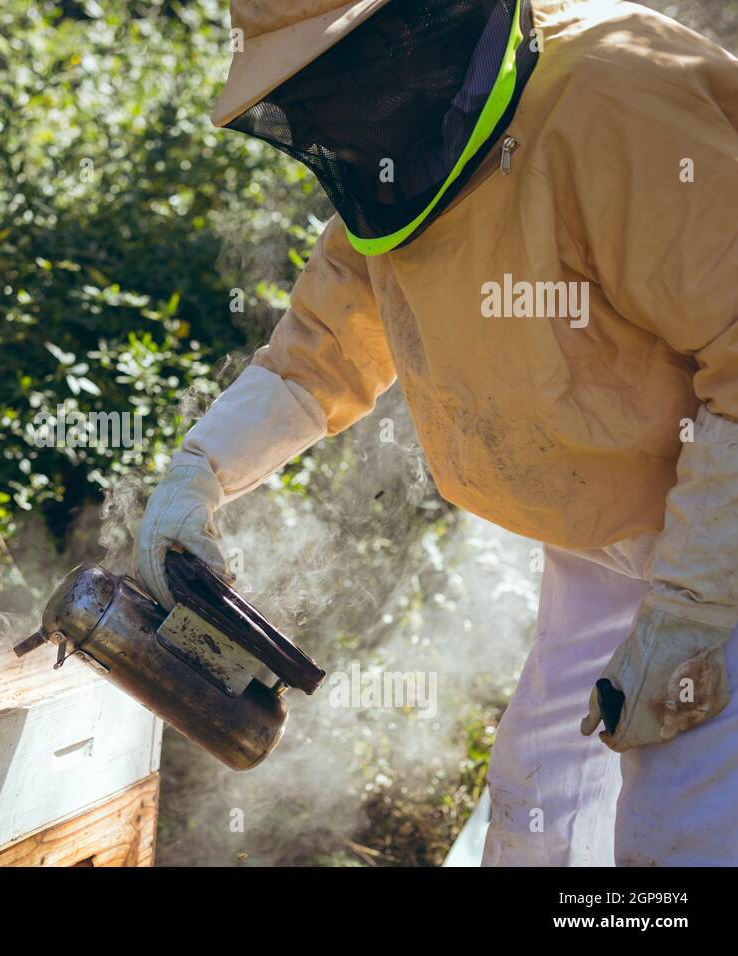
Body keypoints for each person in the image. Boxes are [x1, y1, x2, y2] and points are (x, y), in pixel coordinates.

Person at [134, 0, 738, 865]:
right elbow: (323, 350)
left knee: (682, 836)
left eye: (338, 71)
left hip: (721, 523)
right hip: (619, 531)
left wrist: (697, 608)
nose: (334, 110)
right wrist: (199, 472)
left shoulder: (613, 99)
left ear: (412, 30)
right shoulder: (401, 165)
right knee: (537, 808)